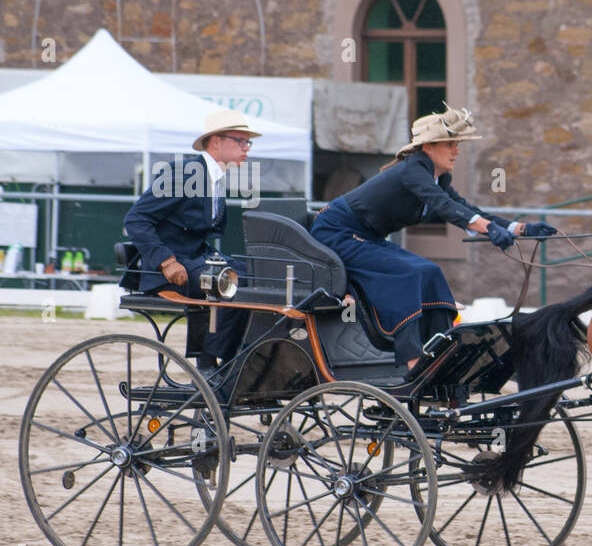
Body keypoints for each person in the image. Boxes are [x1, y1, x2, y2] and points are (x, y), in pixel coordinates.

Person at [310, 106, 556, 378]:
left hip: (365, 237)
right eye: (451, 144)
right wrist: (489, 229)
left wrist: (518, 228)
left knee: (430, 271)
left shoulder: (437, 177)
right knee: (408, 273)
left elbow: (462, 206)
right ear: (428, 147)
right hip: (337, 233)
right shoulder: (413, 170)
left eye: (457, 144)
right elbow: (444, 206)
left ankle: (441, 352)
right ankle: (413, 363)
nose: (457, 151)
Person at [123, 108, 256, 375]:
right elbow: (136, 219)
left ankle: (244, 356)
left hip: (197, 259)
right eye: (240, 141)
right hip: (169, 267)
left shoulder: (214, 178)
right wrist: (166, 261)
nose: (246, 149)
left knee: (259, 277)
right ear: (216, 142)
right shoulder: (184, 173)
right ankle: (210, 363)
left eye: (248, 142)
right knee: (231, 283)